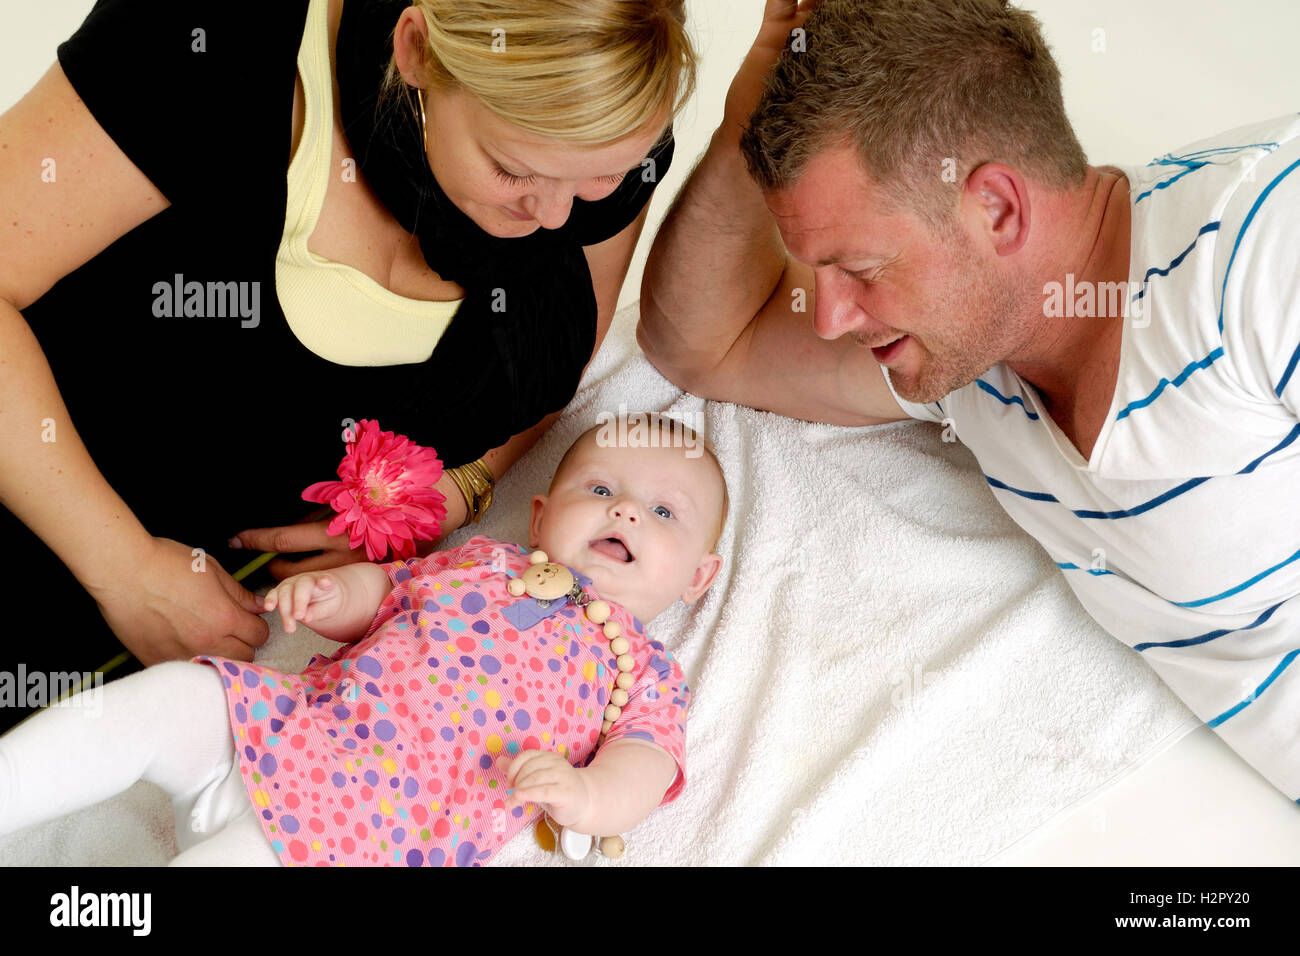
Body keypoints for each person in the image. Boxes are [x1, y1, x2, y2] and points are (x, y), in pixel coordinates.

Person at [638, 0, 1300, 800]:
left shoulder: (1264, 248)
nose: (835, 315)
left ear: (996, 209)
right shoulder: (975, 358)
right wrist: (749, 115)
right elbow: (701, 344)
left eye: (862, 268)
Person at [0, 0, 695, 731]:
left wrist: (465, 478)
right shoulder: (210, 43)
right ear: (417, 49)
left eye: (596, 182)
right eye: (512, 169)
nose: (556, 217)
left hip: (227, 654)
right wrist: (124, 568)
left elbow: (557, 349)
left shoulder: (602, 121)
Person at [0, 417, 727, 866]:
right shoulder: (481, 561)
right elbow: (388, 594)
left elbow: (646, 760)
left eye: (663, 512)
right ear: (539, 518)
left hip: (356, 832)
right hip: (282, 724)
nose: (627, 510)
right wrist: (331, 595)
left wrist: (589, 794)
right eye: (600, 490)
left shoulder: (643, 670)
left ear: (699, 576)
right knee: (172, 696)